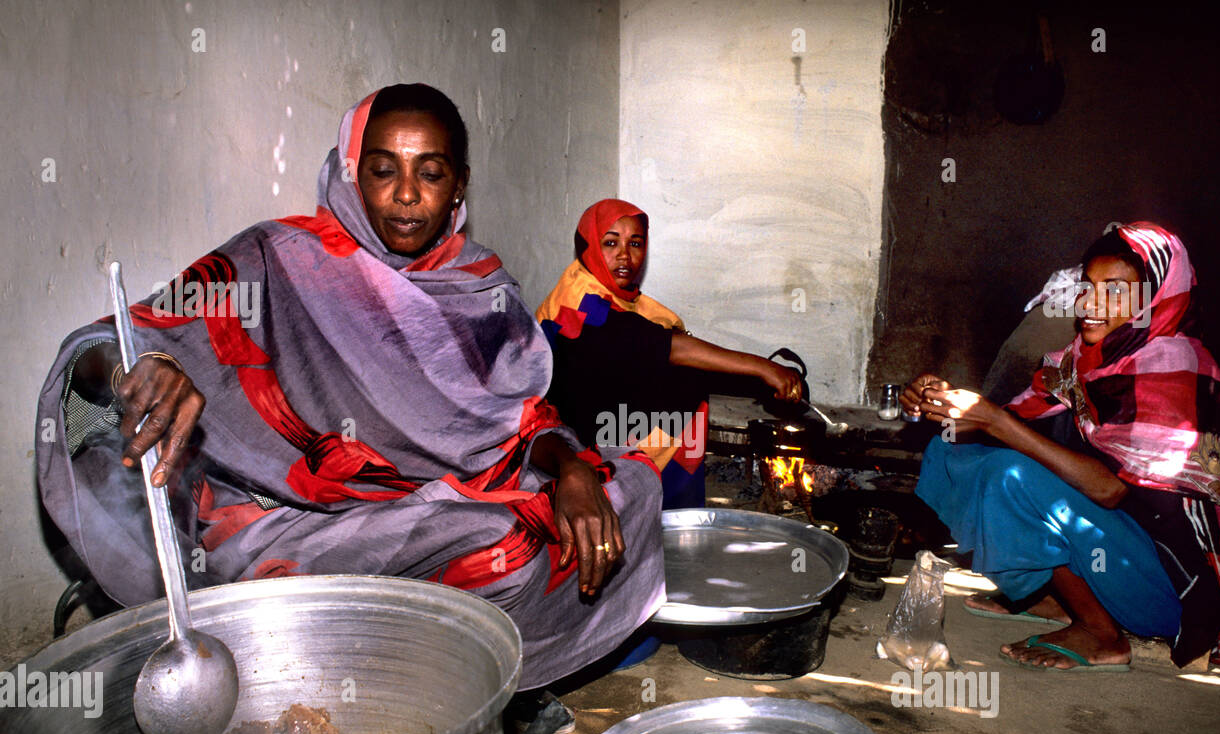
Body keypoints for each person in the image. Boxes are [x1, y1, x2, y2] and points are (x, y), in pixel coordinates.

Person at [36, 84, 667, 691]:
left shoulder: (480, 284)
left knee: (633, 487)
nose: (406, 195)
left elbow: (520, 419)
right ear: (352, 173)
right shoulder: (278, 257)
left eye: (431, 173)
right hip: (297, 522)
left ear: (459, 185)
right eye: (383, 170)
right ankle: (391, 673)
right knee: (505, 545)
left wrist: (571, 470)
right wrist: (139, 367)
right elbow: (97, 348)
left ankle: (386, 655)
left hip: (441, 496)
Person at [904, 222, 1220, 671]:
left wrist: (994, 421)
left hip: (1176, 592)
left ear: (1157, 297)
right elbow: (1017, 417)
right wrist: (942, 403)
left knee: (1011, 475)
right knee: (952, 451)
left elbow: (1109, 490)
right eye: (1089, 287)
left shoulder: (1176, 366)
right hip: (1118, 551)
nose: (1090, 304)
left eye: (1115, 291)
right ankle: (1054, 597)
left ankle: (1101, 633)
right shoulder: (1095, 355)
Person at [536, 199, 802, 508]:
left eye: (635, 243)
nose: (625, 255)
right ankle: (653, 496)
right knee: (684, 386)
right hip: (568, 432)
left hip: (590, 401)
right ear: (589, 245)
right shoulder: (582, 304)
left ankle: (661, 498)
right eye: (610, 243)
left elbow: (650, 340)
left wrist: (762, 377)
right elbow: (668, 346)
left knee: (686, 373)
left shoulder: (596, 287)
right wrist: (764, 369)